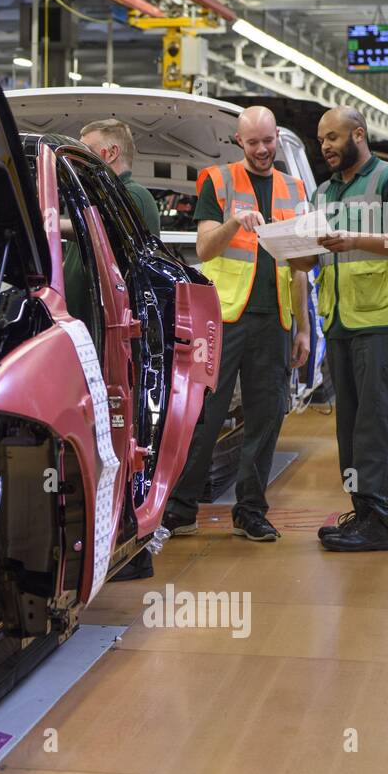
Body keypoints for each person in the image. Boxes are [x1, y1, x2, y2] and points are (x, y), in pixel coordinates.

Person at [142, 105, 311, 573]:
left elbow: (299, 265)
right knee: (204, 414)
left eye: (268, 140)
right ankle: (180, 510)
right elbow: (203, 248)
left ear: (276, 138)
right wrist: (236, 222)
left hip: (274, 319)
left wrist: (302, 327)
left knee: (267, 415)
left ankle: (251, 512)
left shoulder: (295, 189)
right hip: (224, 319)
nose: (261, 150)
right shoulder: (217, 181)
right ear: (239, 142)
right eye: (253, 142)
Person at [289, 106, 388, 552]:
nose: (325, 145)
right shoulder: (324, 193)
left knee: (377, 424)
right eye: (321, 138)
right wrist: (293, 251)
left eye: (332, 137)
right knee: (349, 427)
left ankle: (381, 520)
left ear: (358, 135)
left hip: (383, 320)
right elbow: (313, 255)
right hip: (342, 321)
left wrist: (356, 240)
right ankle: (362, 511)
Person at [80, 118, 162, 237]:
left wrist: (51, 225)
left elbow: (98, 227)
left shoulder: (134, 194)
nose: (77, 157)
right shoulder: (90, 196)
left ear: (111, 153)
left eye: (86, 151)